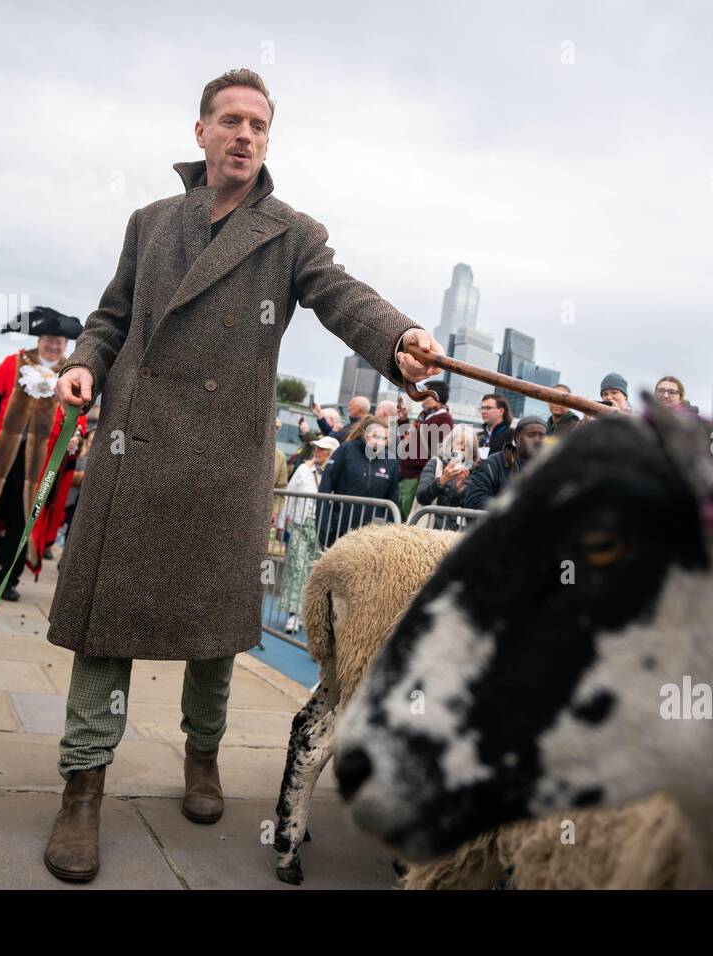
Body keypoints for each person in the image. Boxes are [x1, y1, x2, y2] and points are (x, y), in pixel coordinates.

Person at [44, 68, 444, 883]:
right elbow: (113, 315)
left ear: (268, 141)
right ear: (200, 133)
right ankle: (83, 789)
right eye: (230, 121)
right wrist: (86, 363)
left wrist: (397, 336)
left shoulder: (290, 234)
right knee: (102, 627)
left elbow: (341, 297)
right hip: (135, 443)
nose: (245, 135)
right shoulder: (151, 222)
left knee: (215, 633)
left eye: (259, 126)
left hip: (225, 456)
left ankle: (202, 756)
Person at [0, 306, 88, 601]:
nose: (53, 344)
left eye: (59, 340)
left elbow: (77, 417)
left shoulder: (71, 376)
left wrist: (75, 437)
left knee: (23, 520)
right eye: (48, 338)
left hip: (39, 466)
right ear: (39, 339)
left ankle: (9, 579)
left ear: (66, 345)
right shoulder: (13, 364)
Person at [278, 435, 338, 633]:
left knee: (314, 572)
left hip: (323, 528)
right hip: (299, 525)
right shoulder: (303, 469)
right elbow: (289, 497)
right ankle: (294, 614)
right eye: (317, 449)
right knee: (297, 568)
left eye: (323, 450)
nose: (318, 452)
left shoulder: (336, 473)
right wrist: (281, 524)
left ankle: (307, 613)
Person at [316, 417, 401, 549]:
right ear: (365, 435)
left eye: (384, 438)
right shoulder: (345, 450)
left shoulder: (391, 462)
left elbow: (392, 501)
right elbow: (325, 489)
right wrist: (324, 529)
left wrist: (387, 536)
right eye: (375, 436)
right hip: (340, 530)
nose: (379, 442)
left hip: (371, 536)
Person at [398, 379, 453, 520]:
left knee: (408, 519)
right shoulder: (425, 417)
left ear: (435, 397)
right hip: (408, 475)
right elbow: (408, 441)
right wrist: (404, 420)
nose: (420, 395)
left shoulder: (443, 419)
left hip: (417, 477)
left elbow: (434, 450)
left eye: (424, 393)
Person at [465, 416, 547, 510]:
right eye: (531, 435)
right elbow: (474, 500)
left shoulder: (550, 468)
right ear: (517, 437)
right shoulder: (494, 463)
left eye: (542, 436)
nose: (537, 440)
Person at [414, 423, 481, 528]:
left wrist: (460, 491)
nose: (463, 448)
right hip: (430, 531)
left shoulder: (476, 473)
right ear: (450, 444)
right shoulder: (436, 464)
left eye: (468, 446)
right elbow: (421, 497)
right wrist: (442, 481)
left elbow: (476, 511)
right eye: (460, 443)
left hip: (457, 535)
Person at [478, 393, 514, 460]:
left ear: (501, 411)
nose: (483, 411)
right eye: (482, 408)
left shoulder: (513, 435)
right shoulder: (478, 436)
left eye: (488, 408)